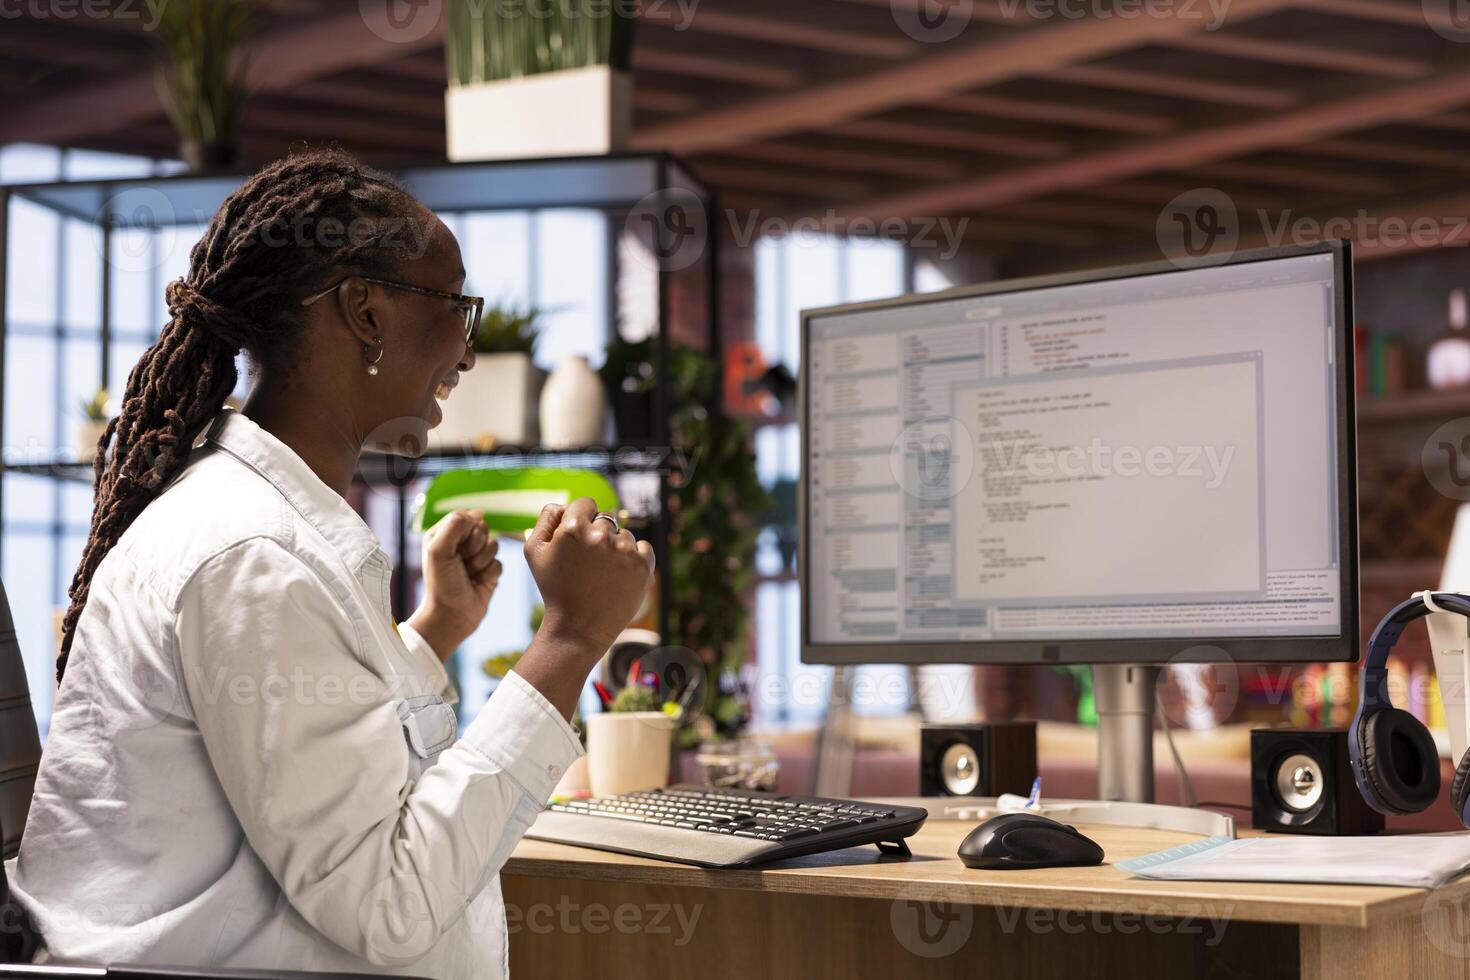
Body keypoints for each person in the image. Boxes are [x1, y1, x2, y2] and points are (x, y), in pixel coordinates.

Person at [7, 149, 652, 979]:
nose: (466, 351)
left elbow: (310, 737)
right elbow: (389, 905)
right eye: (455, 305)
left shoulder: (259, 529)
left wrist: (436, 629)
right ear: (366, 312)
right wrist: (570, 638)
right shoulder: (250, 556)